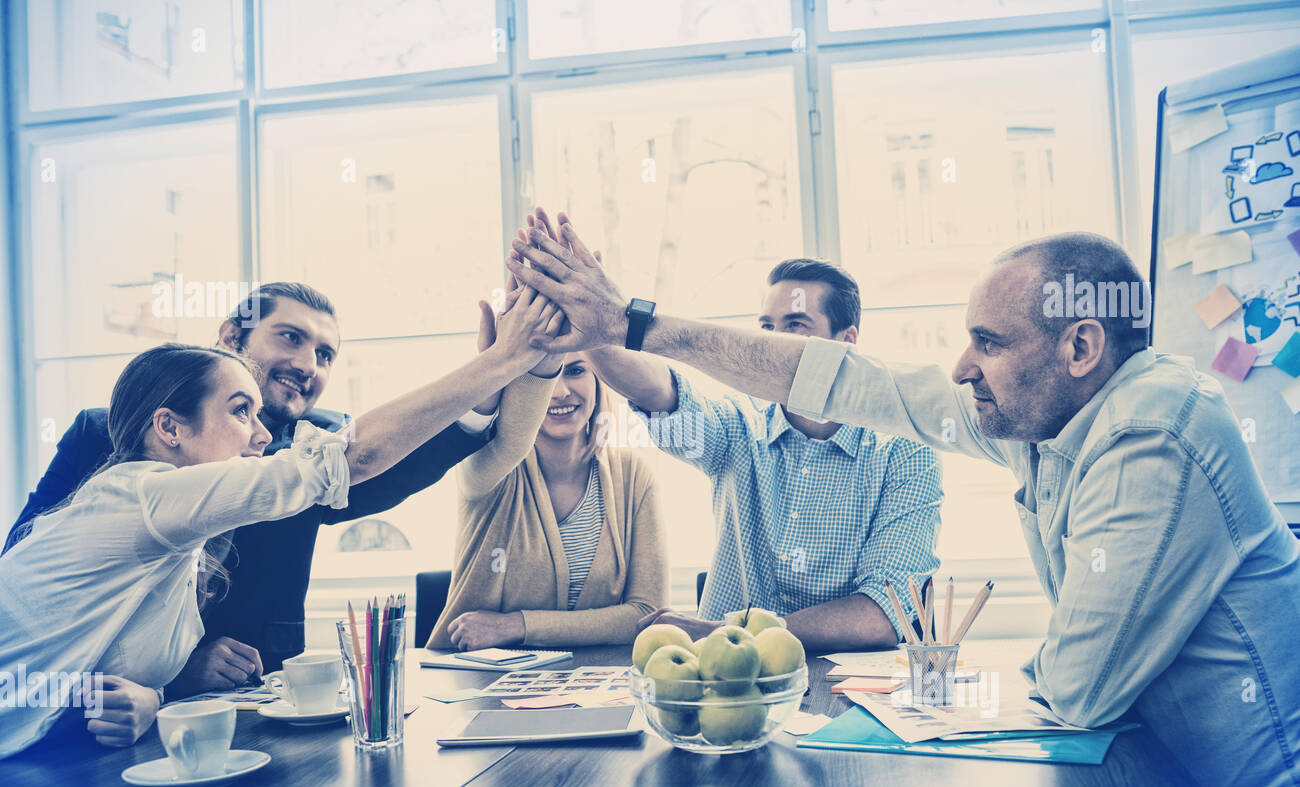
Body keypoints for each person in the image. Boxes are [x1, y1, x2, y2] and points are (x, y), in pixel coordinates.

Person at [508, 212, 1300, 787]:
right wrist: (628, 326)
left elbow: (1077, 690)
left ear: (1081, 348)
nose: (963, 367)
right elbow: (860, 385)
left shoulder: (1152, 430)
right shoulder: (1046, 415)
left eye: (987, 342)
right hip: (1163, 780)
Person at [0, 289, 557, 756]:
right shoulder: (137, 484)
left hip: (121, 743)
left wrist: (158, 693)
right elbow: (350, 459)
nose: (309, 364)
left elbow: (377, 464)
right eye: (290, 337)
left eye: (326, 353)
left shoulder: (202, 535)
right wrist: (501, 360)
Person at [583, 246, 941, 650]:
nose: (771, 344)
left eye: (795, 325)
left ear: (847, 342)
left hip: (841, 692)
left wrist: (731, 634)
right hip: (730, 684)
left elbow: (882, 615)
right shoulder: (738, 424)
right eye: (766, 328)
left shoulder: (904, 453)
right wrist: (593, 328)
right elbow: (660, 393)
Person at [428, 279, 666, 651]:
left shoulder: (633, 476)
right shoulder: (491, 467)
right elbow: (509, 440)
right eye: (541, 372)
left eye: (574, 370)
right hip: (479, 687)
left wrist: (518, 626)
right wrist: (496, 363)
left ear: (599, 378)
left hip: (595, 690)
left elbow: (647, 614)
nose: (558, 392)